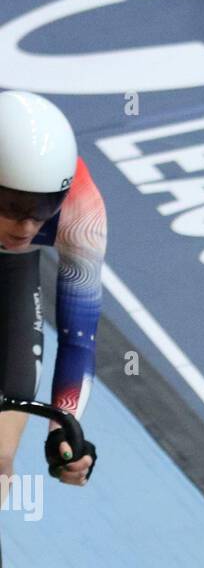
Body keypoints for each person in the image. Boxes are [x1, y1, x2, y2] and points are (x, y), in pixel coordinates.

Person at [0, 91, 106, 485]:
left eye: (43, 208)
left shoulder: (82, 210)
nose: (27, 228)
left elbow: (78, 337)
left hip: (13, 271)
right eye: (11, 206)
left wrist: (64, 432)